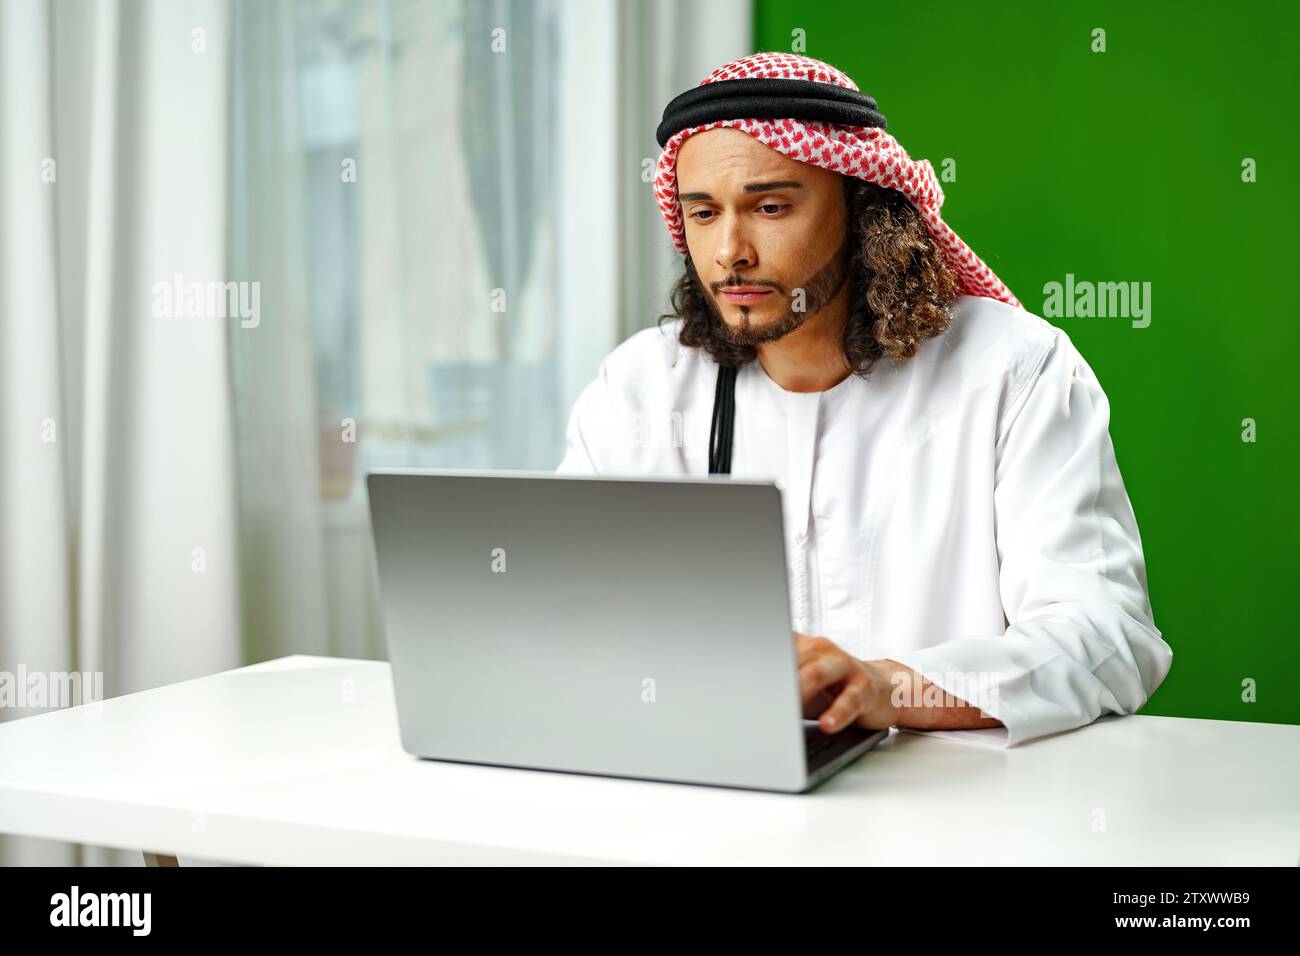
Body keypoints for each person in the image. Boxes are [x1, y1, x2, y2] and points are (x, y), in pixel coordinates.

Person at [557, 52, 1171, 748]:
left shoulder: (1015, 370)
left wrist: (892, 685)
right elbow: (568, 612)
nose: (729, 251)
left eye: (770, 207)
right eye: (703, 214)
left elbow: (1107, 635)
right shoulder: (640, 388)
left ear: (863, 209)